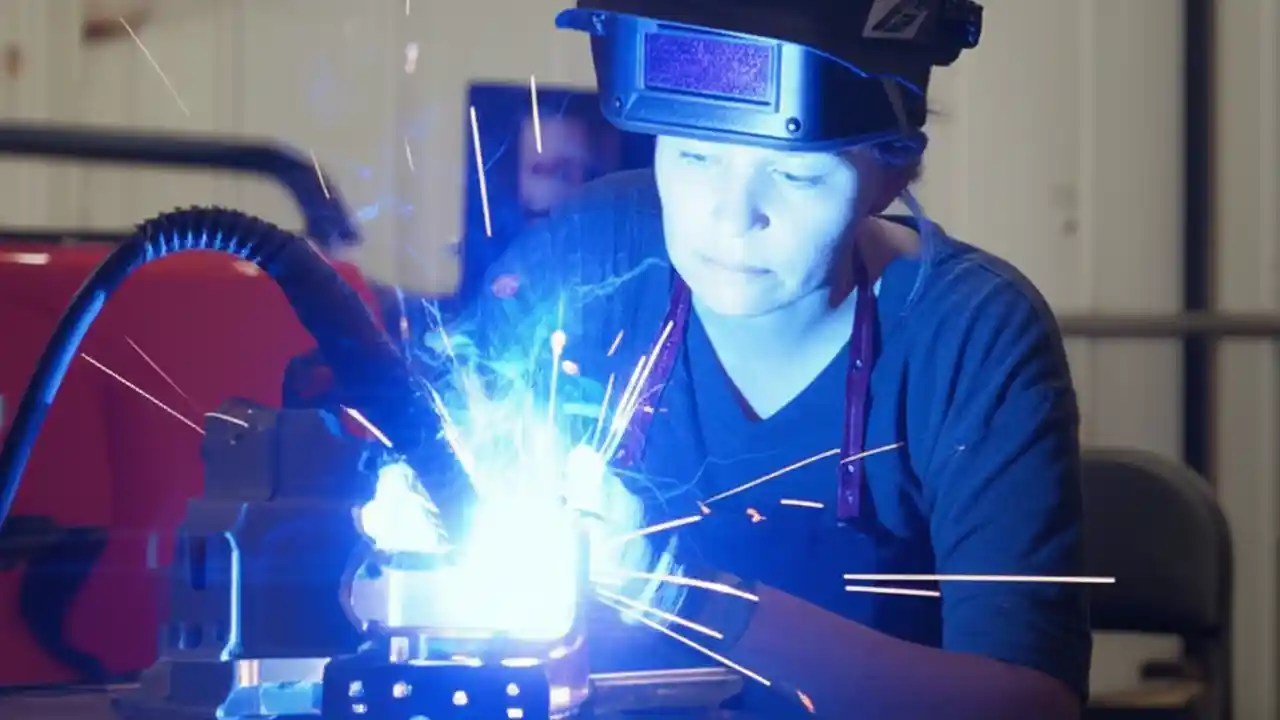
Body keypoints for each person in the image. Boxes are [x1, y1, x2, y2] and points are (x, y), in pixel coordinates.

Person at [426, 1, 1094, 718]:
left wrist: (687, 597)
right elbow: (442, 439)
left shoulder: (970, 334)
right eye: (694, 154)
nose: (731, 216)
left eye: (796, 175)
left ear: (889, 175)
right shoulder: (596, 251)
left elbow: (1034, 706)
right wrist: (417, 521)